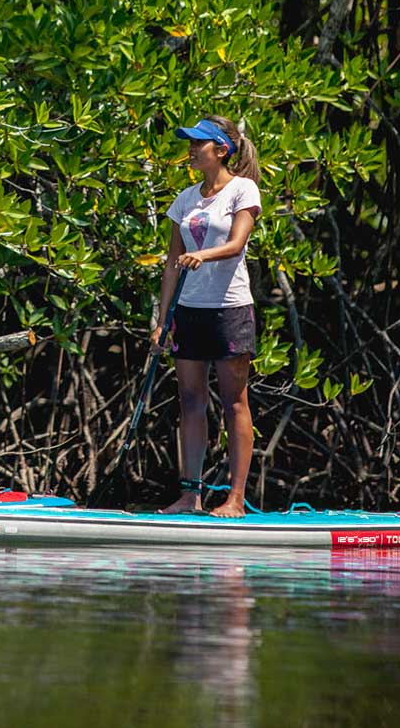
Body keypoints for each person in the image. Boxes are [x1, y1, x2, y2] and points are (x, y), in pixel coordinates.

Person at [150, 115, 262, 518]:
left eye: (200, 144)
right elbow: (171, 264)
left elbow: (236, 244)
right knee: (190, 400)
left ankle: (235, 499)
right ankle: (190, 496)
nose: (192, 150)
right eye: (190, 143)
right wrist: (163, 320)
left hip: (229, 309)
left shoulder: (242, 189)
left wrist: (203, 254)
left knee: (235, 401)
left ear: (222, 150)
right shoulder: (185, 199)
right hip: (189, 311)